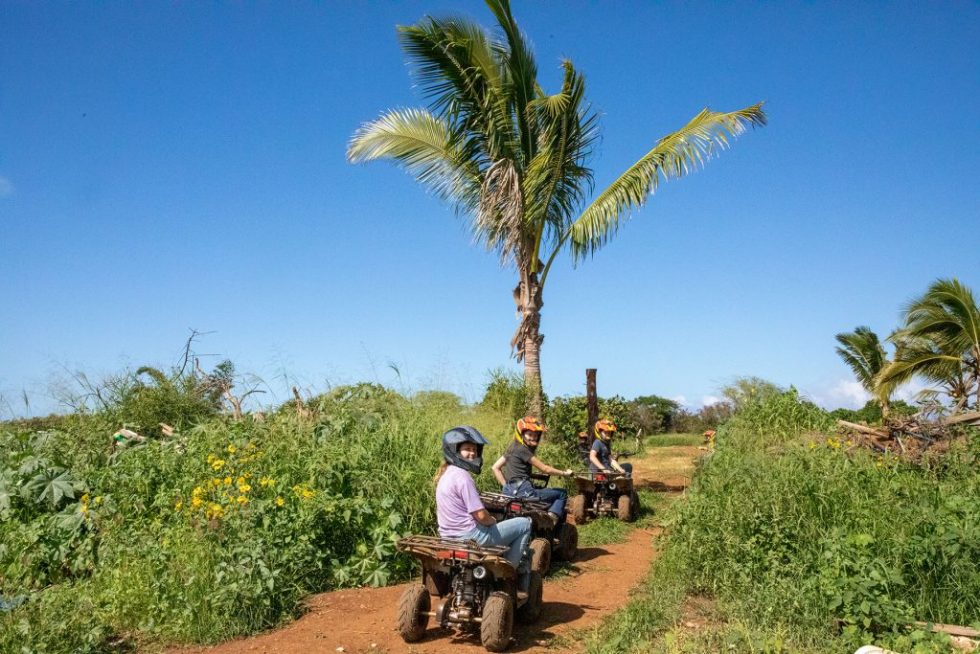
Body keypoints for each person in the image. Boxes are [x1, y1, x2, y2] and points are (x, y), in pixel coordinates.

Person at [435, 426, 531, 582]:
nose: (472, 453)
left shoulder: (446, 475)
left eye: (474, 449)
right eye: (467, 449)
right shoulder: (463, 477)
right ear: (455, 450)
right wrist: (492, 521)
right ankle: (508, 571)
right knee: (525, 523)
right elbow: (480, 515)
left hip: (447, 537)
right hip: (470, 537)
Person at [491, 416, 573, 529]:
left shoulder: (512, 448)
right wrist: (565, 473)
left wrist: (506, 486)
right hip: (525, 491)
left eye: (535, 435)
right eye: (530, 435)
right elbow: (545, 469)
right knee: (562, 493)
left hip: (508, 492)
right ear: (521, 434)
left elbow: (495, 467)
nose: (533, 438)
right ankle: (551, 520)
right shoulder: (523, 450)